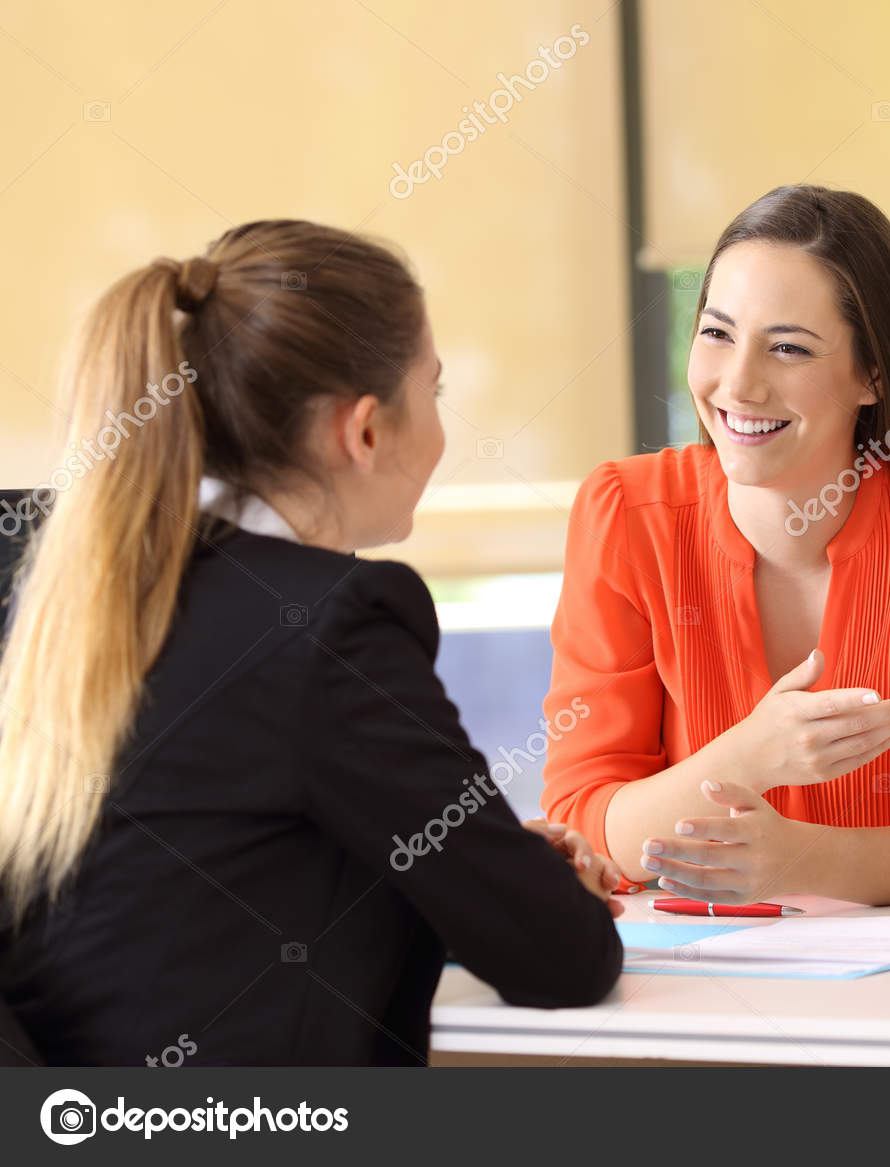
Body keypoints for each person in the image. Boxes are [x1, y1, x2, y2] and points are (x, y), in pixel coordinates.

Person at [0, 220, 622, 1065]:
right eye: (432, 393)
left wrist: (482, 863)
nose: (441, 431)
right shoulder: (329, 626)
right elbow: (564, 958)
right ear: (364, 432)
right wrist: (533, 890)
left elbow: (195, 875)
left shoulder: (60, 583)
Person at [540, 185, 890, 905]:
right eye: (717, 333)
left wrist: (799, 861)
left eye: (787, 348)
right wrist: (753, 755)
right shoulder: (625, 511)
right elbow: (583, 825)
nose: (738, 383)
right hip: (700, 978)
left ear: (872, 374)